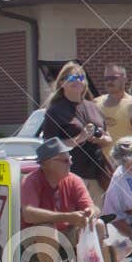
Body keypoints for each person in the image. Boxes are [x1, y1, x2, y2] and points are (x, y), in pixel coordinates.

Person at [20, 138, 103, 262]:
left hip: (67, 235)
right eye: (65, 160)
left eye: (70, 158)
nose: (70, 162)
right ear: (46, 164)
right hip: (34, 242)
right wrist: (67, 217)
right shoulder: (31, 181)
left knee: (98, 225)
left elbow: (92, 207)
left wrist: (90, 213)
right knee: (47, 229)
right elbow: (28, 214)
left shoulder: (74, 180)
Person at [38, 62, 112, 206]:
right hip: (70, 175)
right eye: (71, 77)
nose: (77, 80)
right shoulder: (55, 111)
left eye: (80, 77)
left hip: (96, 176)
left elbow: (109, 138)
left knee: (96, 220)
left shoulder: (93, 107)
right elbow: (49, 146)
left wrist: (100, 139)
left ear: (85, 83)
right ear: (62, 83)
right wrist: (79, 138)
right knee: (73, 221)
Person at [97, 65, 132, 144]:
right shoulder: (96, 103)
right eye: (106, 79)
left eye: (113, 78)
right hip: (100, 156)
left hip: (127, 155)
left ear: (125, 79)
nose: (109, 82)